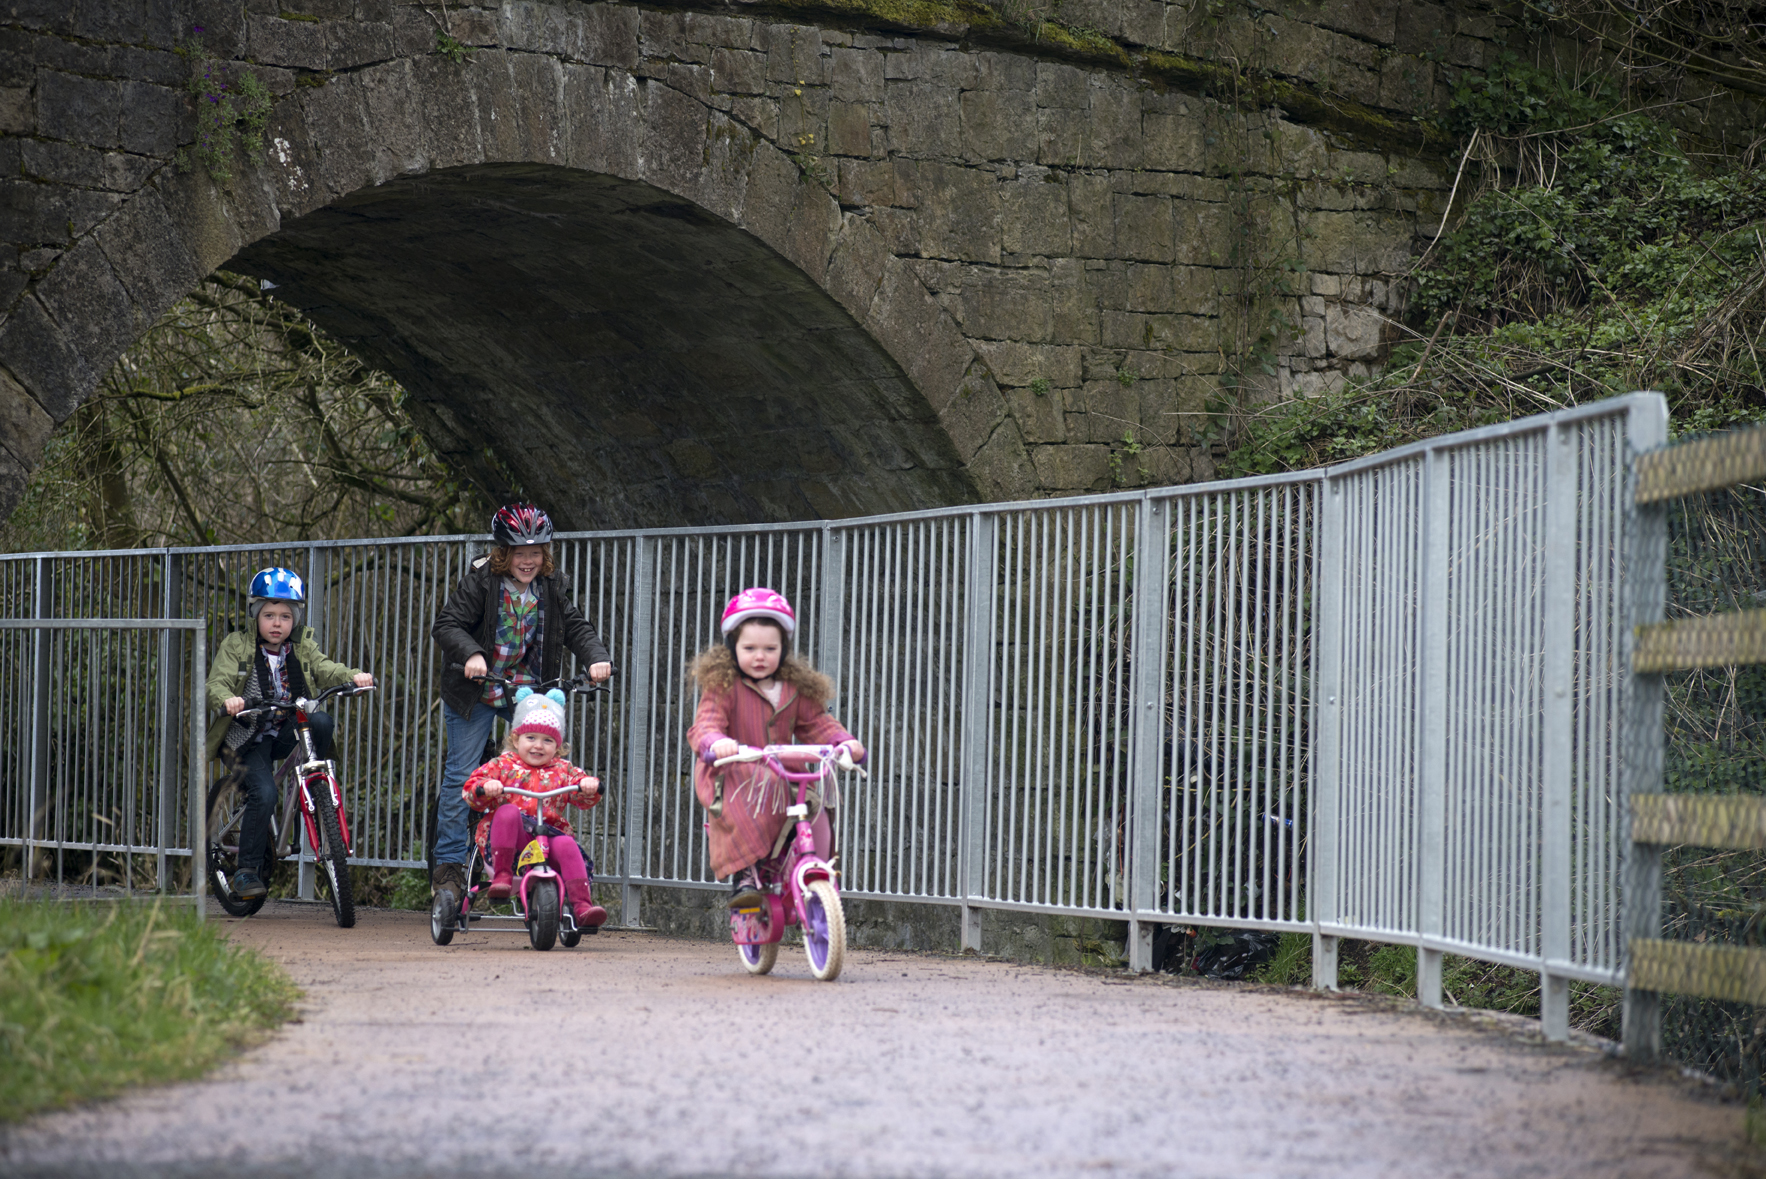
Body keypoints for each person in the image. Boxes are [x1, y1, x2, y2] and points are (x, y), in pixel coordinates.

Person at [430, 503, 611, 898]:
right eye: (519, 553)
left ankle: (539, 857)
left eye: (535, 552)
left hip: (529, 690)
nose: (527, 561)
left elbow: (576, 626)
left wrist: (597, 657)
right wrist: (471, 655)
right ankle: (448, 868)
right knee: (461, 775)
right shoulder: (481, 582)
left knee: (546, 765)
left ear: (544, 554)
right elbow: (447, 624)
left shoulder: (551, 585)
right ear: (503, 554)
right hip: (476, 689)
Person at [686, 588, 865, 909]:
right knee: (762, 787)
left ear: (783, 650)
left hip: (784, 770)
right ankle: (745, 875)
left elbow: (816, 724)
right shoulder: (724, 686)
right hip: (731, 771)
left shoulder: (793, 689)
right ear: (732, 648)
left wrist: (843, 743)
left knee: (818, 803)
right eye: (750, 647)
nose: (760, 656)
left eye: (770, 648)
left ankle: (817, 872)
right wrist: (717, 742)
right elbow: (706, 725)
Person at [205, 567, 374, 901]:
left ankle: (309, 790)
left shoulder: (302, 648)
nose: (277, 623)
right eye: (269, 615)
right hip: (244, 739)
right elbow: (217, 682)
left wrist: (354, 677)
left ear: (295, 618)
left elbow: (327, 669)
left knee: (321, 721)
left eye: (285, 615)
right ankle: (246, 871)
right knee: (265, 793)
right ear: (255, 615)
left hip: (283, 732)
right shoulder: (236, 646)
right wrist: (227, 699)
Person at [461, 687, 608, 928]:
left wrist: (587, 786)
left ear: (558, 746)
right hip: (509, 843)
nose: (538, 746)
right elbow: (471, 790)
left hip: (547, 840)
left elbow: (583, 796)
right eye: (531, 738)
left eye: (548, 740)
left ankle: (582, 907)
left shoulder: (563, 769)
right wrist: (486, 787)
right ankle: (503, 877)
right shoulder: (502, 765)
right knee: (507, 812)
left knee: (568, 844)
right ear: (516, 738)